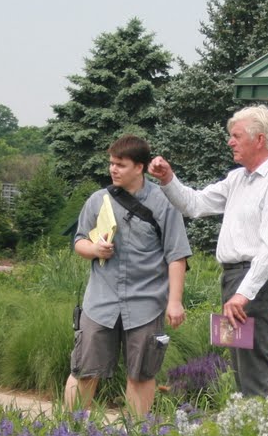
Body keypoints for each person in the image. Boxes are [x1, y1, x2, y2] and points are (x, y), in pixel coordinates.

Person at [147, 105, 268, 397]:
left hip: (259, 281)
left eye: (236, 135)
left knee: (255, 364)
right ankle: (249, 431)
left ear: (259, 139)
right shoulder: (238, 179)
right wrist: (168, 178)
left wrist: (245, 293)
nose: (230, 141)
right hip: (235, 279)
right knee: (241, 365)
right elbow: (195, 205)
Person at [65, 135, 190, 418]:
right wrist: (94, 249)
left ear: (140, 167)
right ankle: (70, 433)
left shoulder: (165, 204)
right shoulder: (98, 200)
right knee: (84, 371)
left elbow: (177, 256)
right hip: (100, 303)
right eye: (111, 163)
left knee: (142, 375)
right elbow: (79, 242)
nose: (113, 169)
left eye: (120, 164)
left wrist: (175, 302)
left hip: (146, 305)